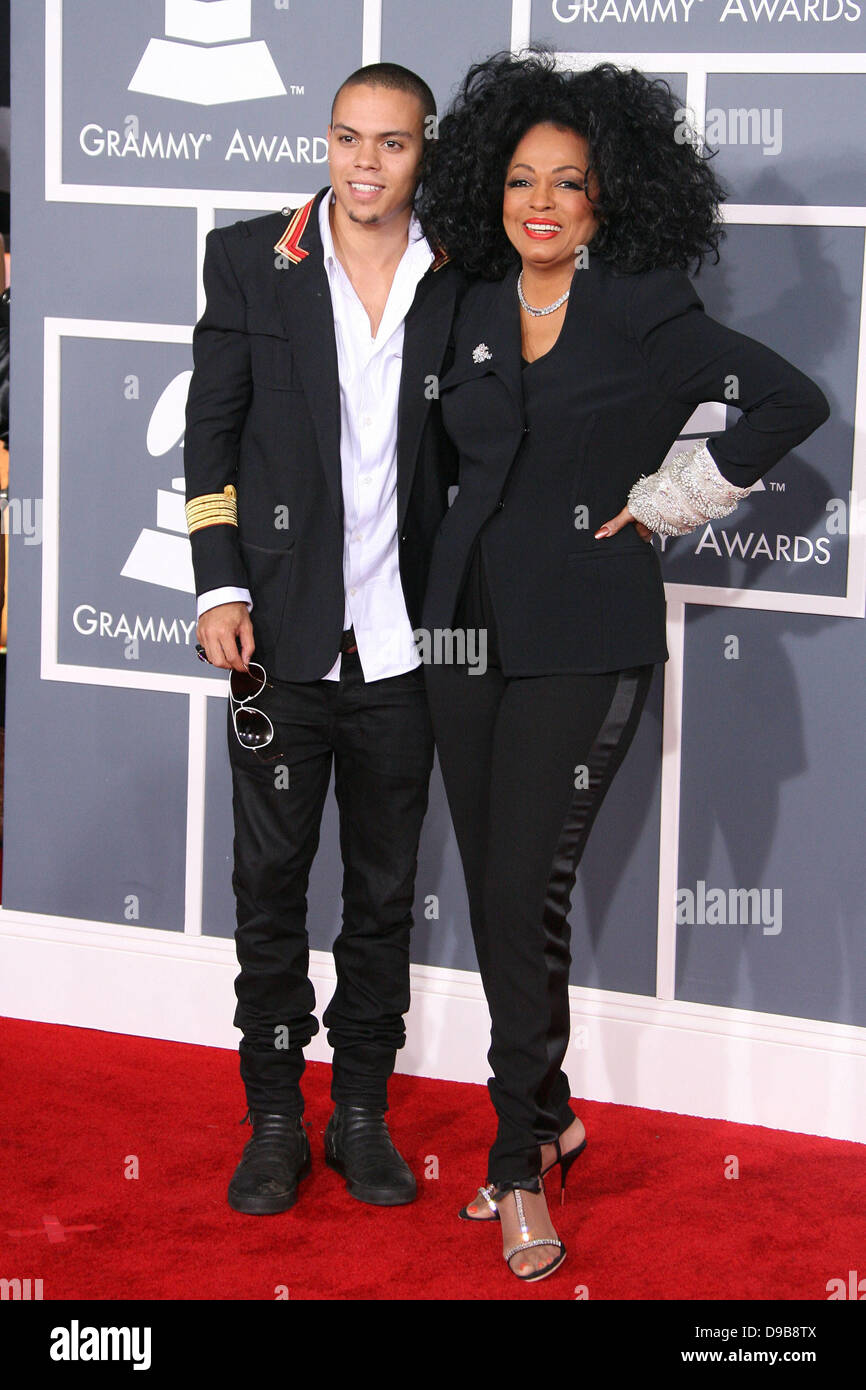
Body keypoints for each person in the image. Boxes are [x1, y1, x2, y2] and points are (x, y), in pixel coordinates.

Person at [417, 53, 830, 1281]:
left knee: (516, 894)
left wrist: (667, 497)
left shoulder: (641, 305)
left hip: (580, 640)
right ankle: (549, 1118)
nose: (539, 202)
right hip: (457, 636)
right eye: (519, 178)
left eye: (569, 183)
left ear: (610, 198)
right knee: (499, 903)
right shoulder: (466, 297)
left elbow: (789, 400)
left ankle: (510, 1167)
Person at [183, 64, 464, 1214]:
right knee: (268, 892)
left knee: (384, 897)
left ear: (422, 153)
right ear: (327, 139)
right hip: (278, 640)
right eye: (347, 138)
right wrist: (216, 586)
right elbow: (212, 437)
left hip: (403, 647)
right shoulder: (254, 256)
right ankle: (270, 1121)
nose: (363, 164)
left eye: (390, 145)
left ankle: (358, 1115)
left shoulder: (461, 276)